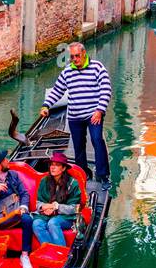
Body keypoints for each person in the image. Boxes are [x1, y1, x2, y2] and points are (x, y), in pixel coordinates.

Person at [40, 41, 112, 186]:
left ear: (84, 53)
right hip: (75, 115)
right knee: (79, 146)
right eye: (72, 57)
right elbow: (57, 90)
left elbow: (106, 89)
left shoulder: (97, 68)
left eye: (77, 56)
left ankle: (103, 176)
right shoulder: (67, 71)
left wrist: (99, 110)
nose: (74, 59)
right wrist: (46, 105)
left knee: (97, 141)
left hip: (93, 114)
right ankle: (82, 173)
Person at [32, 153, 82, 246]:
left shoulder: (73, 183)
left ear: (63, 168)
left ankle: (61, 252)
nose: (52, 167)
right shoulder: (44, 180)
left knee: (53, 223)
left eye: (57, 165)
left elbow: (75, 208)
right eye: (51, 164)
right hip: (46, 214)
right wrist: (44, 207)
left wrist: (56, 207)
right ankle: (49, 250)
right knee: (36, 223)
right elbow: (38, 202)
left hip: (66, 217)